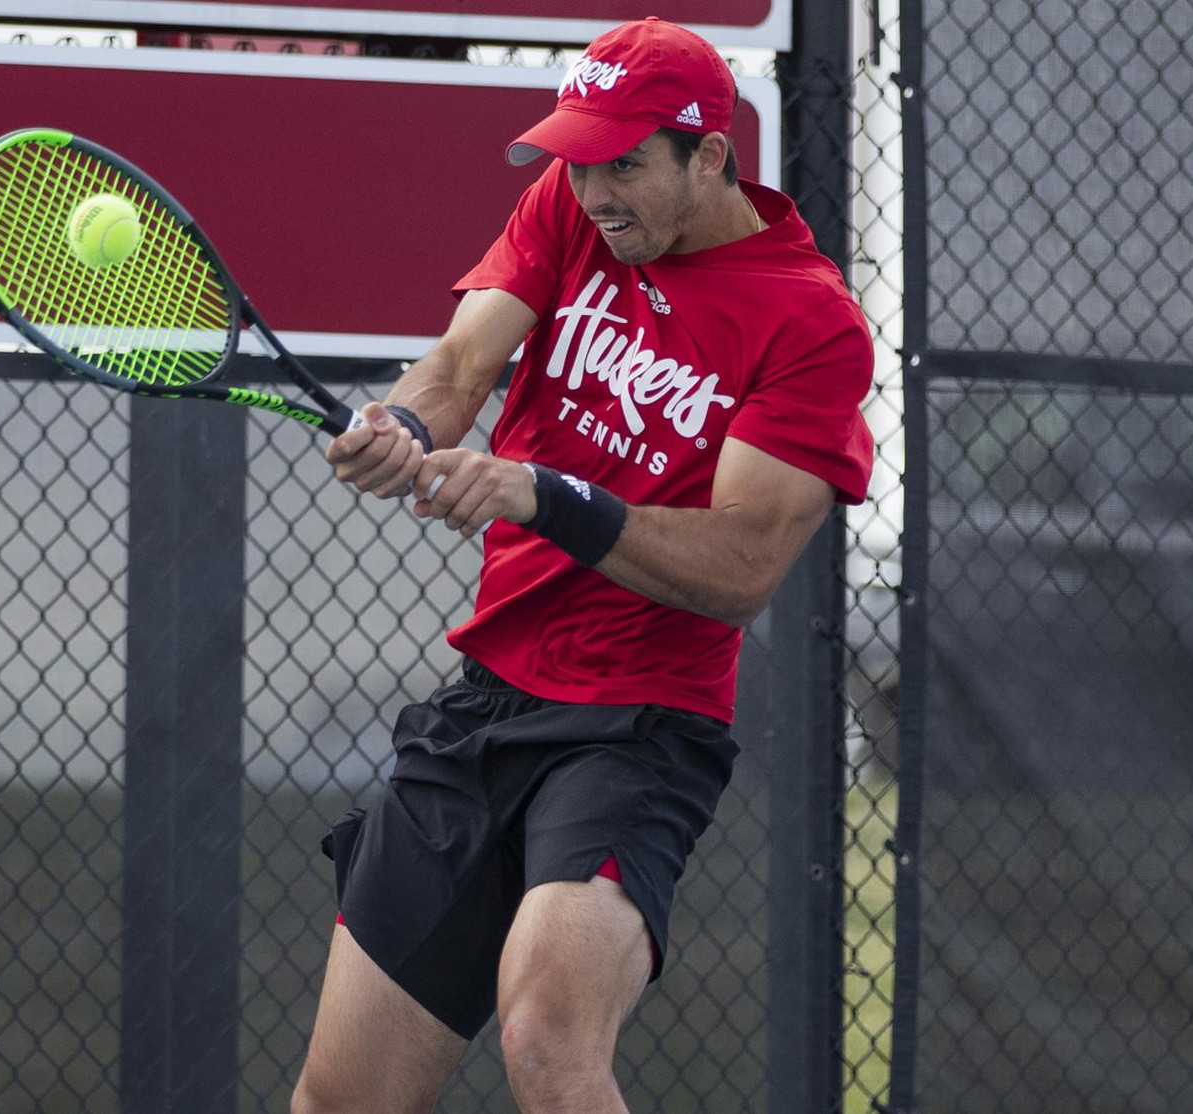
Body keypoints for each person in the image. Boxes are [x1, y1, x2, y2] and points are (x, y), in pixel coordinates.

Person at [290, 17, 875, 1114]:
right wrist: (402, 426)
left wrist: (541, 495)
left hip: (639, 729)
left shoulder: (812, 324)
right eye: (580, 158)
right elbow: (461, 365)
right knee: (341, 1099)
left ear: (709, 154)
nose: (597, 189)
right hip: (487, 706)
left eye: (626, 163)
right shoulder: (570, 207)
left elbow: (745, 559)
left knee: (547, 1037)